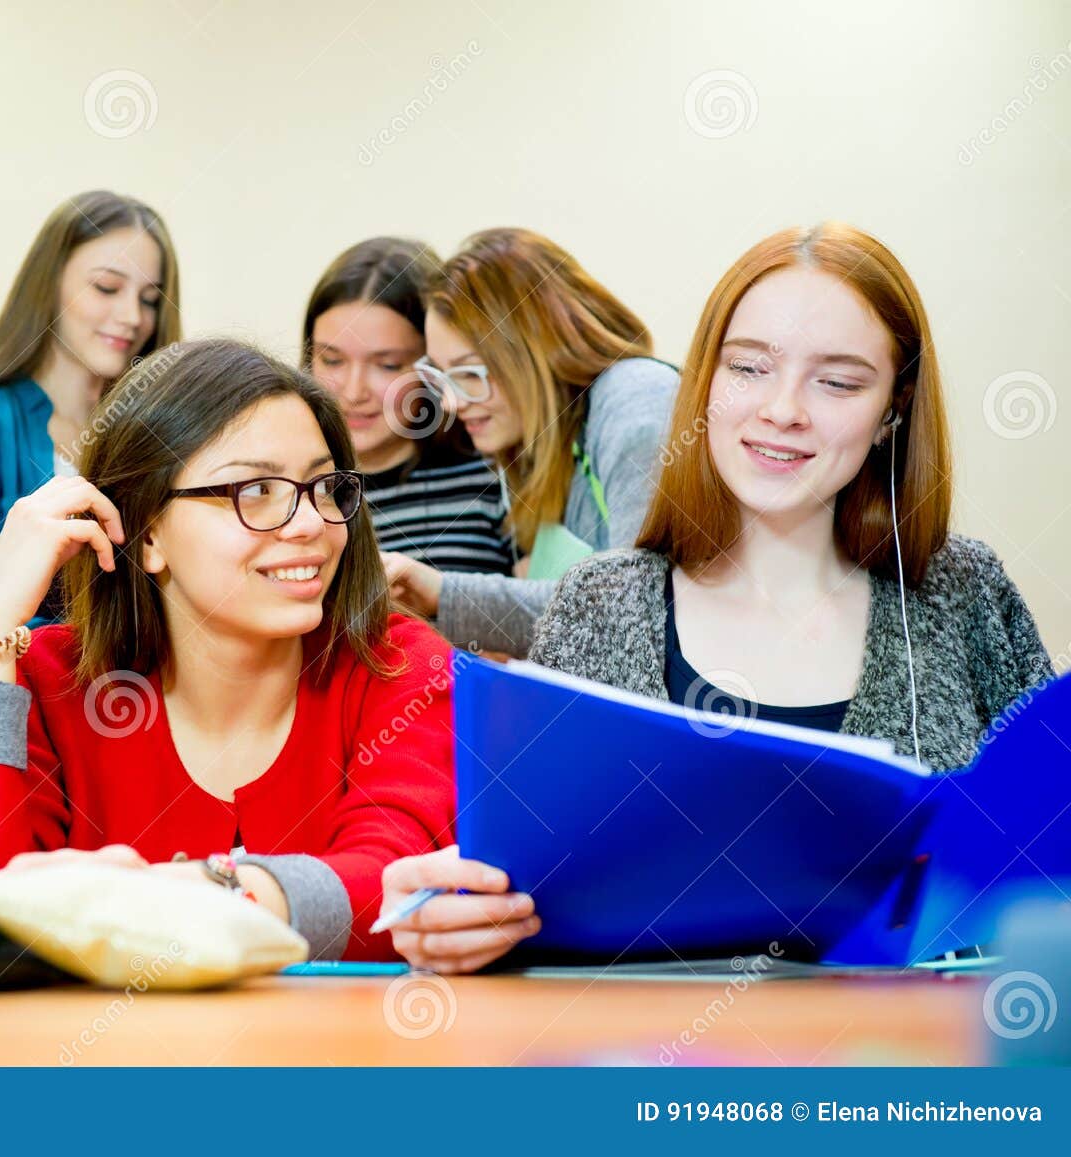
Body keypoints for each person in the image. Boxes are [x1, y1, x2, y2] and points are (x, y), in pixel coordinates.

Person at [381, 222, 1054, 974]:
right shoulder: (599, 603)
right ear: (705, 379)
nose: (783, 409)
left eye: (837, 382)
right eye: (749, 368)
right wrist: (455, 918)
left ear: (892, 409)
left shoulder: (961, 591)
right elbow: (520, 886)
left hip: (914, 1048)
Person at [0, 339, 456, 960]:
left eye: (324, 486)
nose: (312, 523)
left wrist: (185, 896)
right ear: (148, 532)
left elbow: (403, 889)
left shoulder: (401, 664)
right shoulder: (48, 682)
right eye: (256, 490)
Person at [383, 228, 678, 655]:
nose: (450, 402)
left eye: (469, 373)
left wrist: (443, 594)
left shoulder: (637, 399)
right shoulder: (546, 444)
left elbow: (632, 610)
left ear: (532, 353)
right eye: (442, 376)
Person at [0, 190, 182, 618]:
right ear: (49, 285)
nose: (133, 317)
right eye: (107, 287)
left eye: (150, 299)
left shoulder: (154, 431)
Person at [303, 237, 512, 575]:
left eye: (387, 365)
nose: (354, 392)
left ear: (435, 365)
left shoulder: (494, 477)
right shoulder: (293, 492)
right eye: (332, 360)